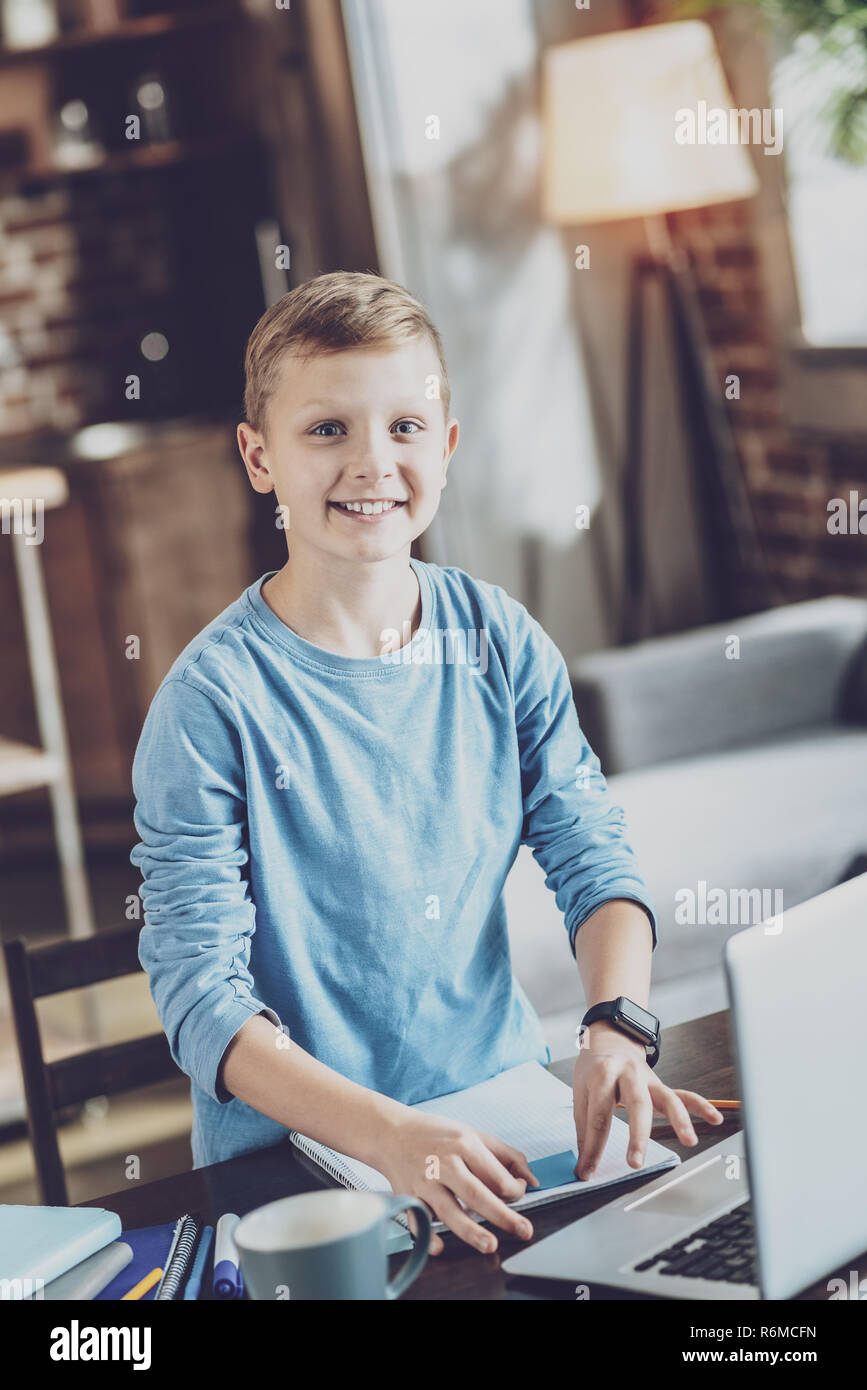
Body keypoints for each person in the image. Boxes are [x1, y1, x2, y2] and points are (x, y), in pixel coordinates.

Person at [131, 271, 722, 1257]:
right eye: (327, 429)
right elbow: (202, 1002)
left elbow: (593, 857)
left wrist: (617, 1025)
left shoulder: (501, 639)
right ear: (259, 457)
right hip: (300, 1172)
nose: (373, 462)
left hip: (506, 1119)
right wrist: (391, 1137)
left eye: (404, 426)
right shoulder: (209, 705)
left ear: (444, 447)